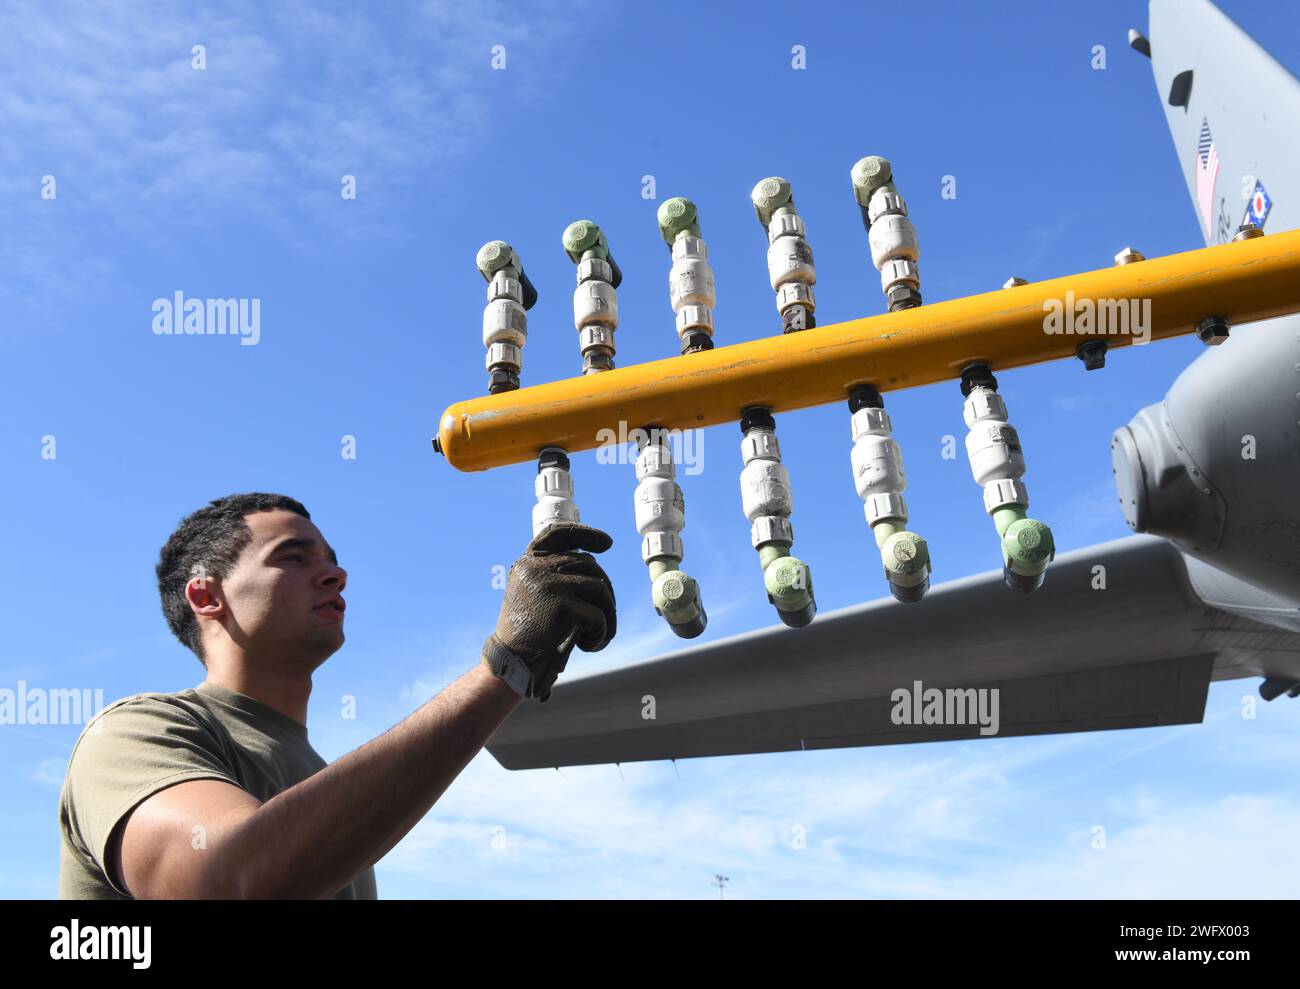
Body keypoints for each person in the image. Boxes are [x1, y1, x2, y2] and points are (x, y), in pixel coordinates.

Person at [57, 492, 616, 899]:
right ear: (206, 595)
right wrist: (504, 672)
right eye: (293, 558)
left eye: (332, 560)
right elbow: (229, 882)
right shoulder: (137, 732)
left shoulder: (324, 787)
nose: (336, 574)